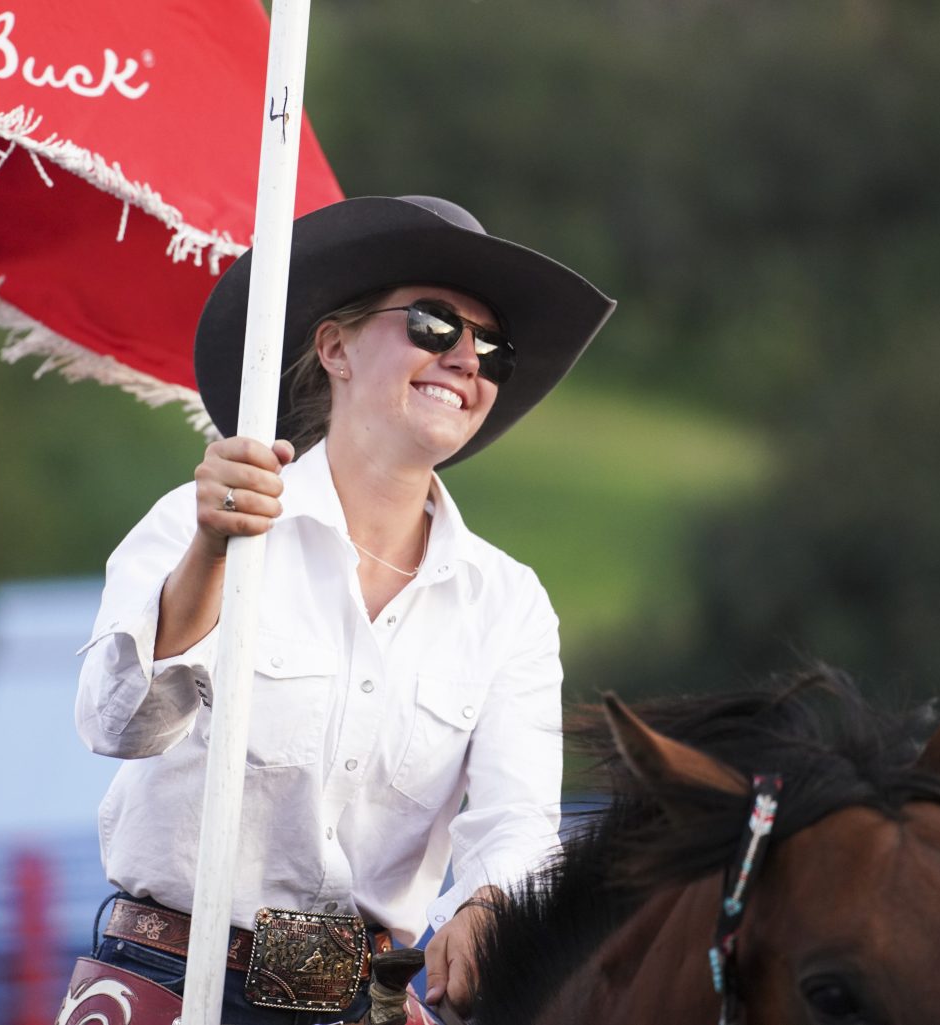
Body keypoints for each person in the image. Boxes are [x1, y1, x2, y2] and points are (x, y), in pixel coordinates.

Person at [74, 195, 614, 1024]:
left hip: (362, 1000)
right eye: (436, 325)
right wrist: (212, 551)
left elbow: (518, 819)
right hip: (170, 976)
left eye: (491, 348)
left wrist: (490, 902)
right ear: (336, 347)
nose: (467, 357)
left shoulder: (508, 605)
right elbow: (120, 723)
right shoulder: (201, 518)